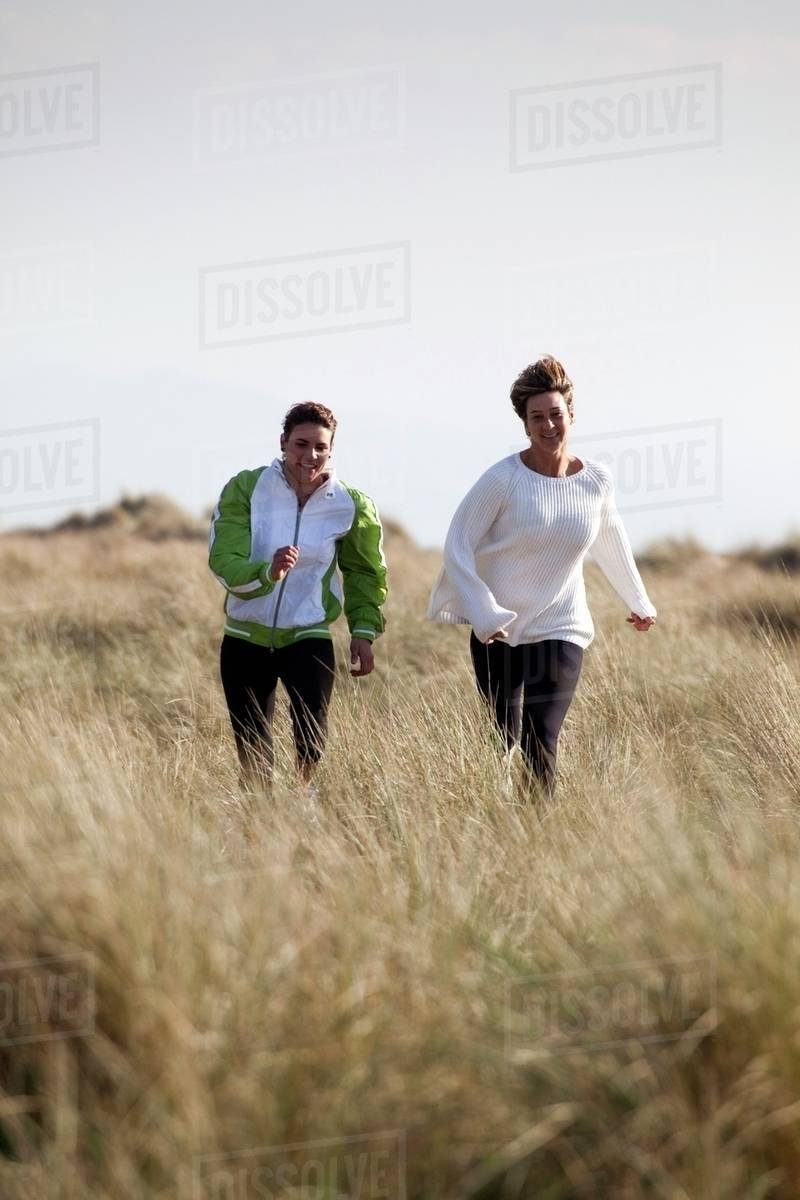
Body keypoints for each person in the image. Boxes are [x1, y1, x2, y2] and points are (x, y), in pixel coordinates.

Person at [427, 356, 656, 802]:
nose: (548, 425)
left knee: (541, 736)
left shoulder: (596, 480)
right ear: (525, 424)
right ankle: (499, 822)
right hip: (499, 629)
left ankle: (539, 831)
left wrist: (638, 601)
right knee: (503, 742)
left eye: (556, 415)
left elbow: (610, 538)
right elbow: (457, 545)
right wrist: (483, 612)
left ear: (571, 415)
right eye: (537, 417)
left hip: (561, 625)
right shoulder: (502, 480)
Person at [209, 402, 387, 793]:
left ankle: (303, 807)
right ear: (283, 443)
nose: (311, 456)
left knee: (312, 736)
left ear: (332, 449)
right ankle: (260, 824)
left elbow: (364, 572)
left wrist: (363, 630)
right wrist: (266, 573)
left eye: (321, 447)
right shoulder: (247, 488)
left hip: (309, 634)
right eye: (301, 444)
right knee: (253, 748)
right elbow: (223, 560)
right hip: (245, 637)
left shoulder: (349, 504)